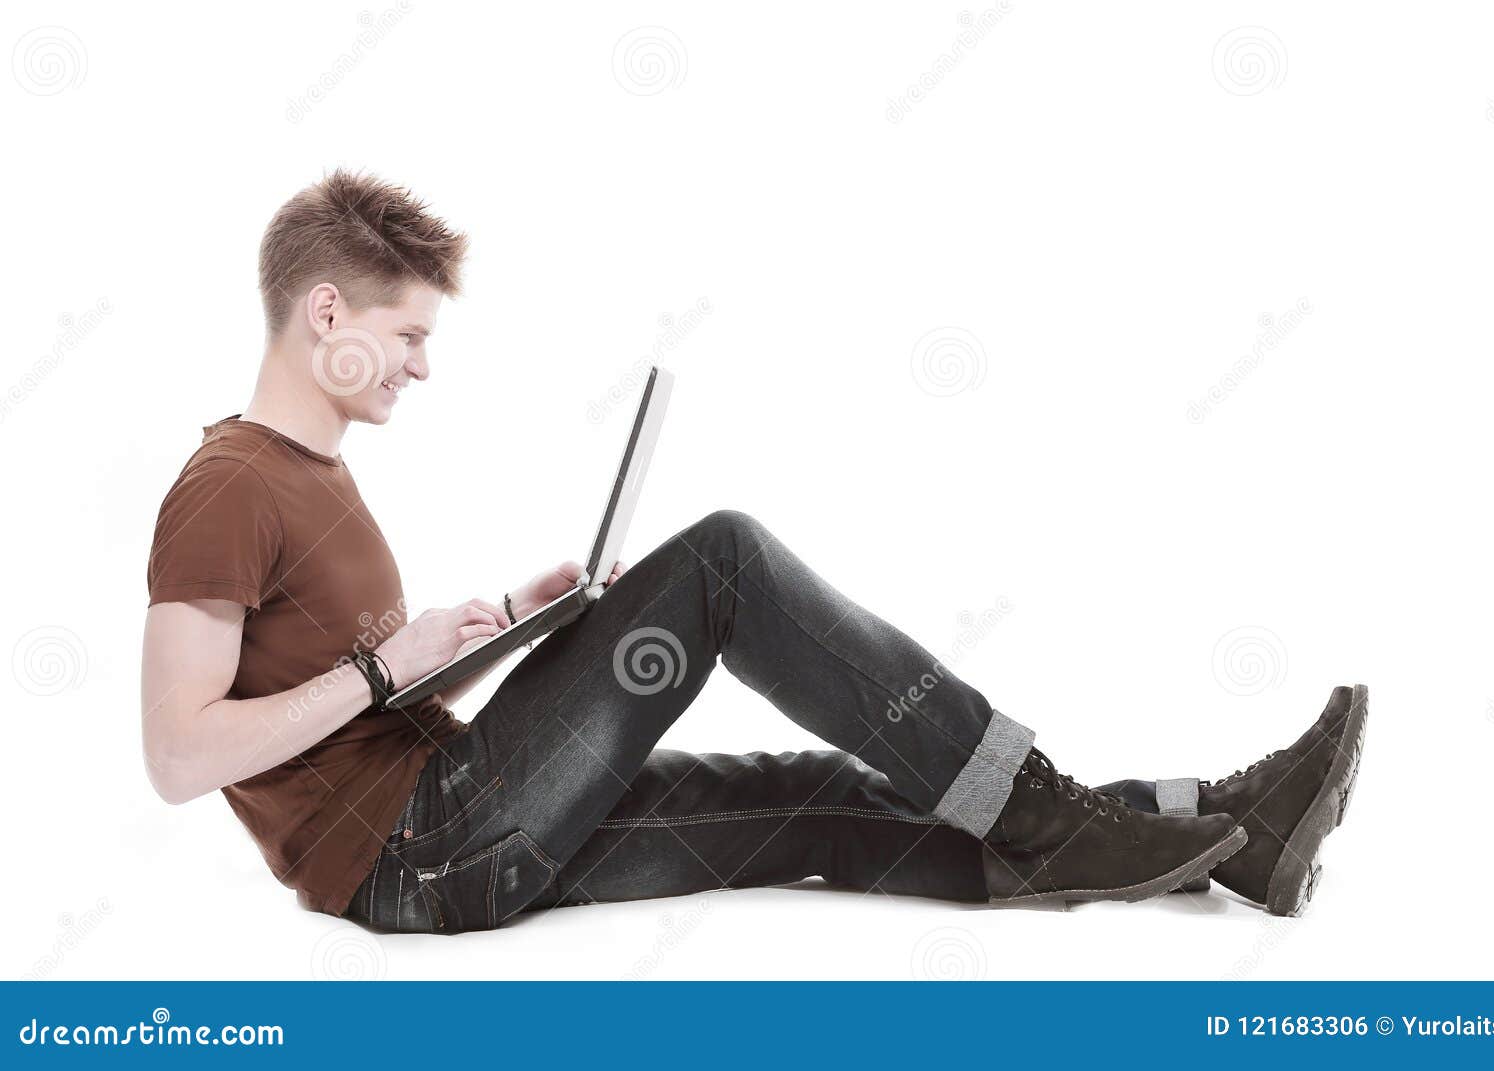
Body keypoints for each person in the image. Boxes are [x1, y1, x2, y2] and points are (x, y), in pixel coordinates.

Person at [141, 171, 1365, 934]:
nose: (421, 363)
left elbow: (354, 718)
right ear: (325, 315)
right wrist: (377, 672)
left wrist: (483, 638)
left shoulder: (310, 474)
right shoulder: (227, 485)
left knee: (818, 807)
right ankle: (1044, 812)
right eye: (407, 333)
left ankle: (1220, 830)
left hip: (451, 824)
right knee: (723, 561)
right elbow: (178, 756)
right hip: (422, 852)